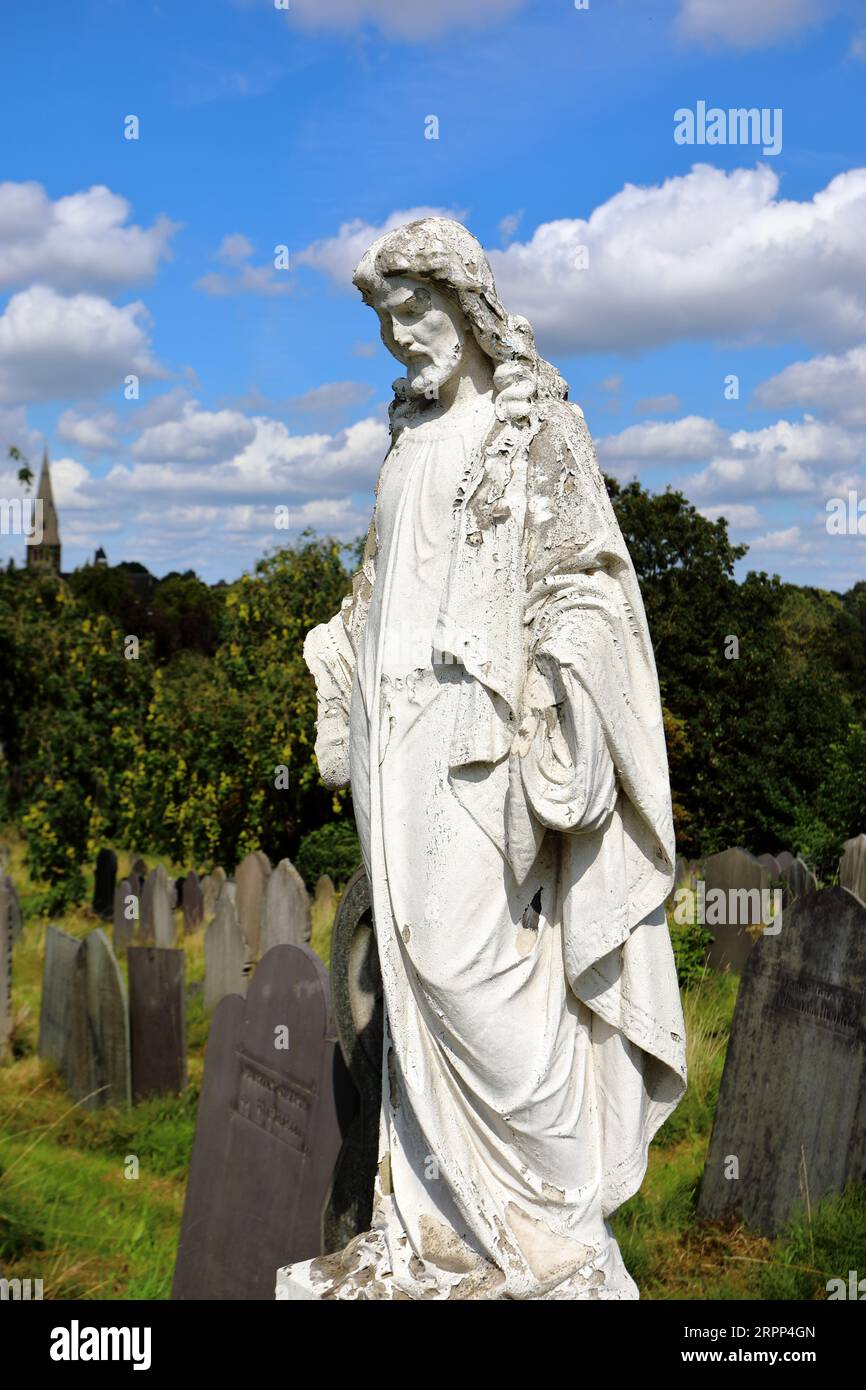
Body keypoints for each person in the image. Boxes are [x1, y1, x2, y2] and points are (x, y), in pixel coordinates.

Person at [288, 217, 686, 1301]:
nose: (400, 336)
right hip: (395, 744)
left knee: (475, 969)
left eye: (414, 311)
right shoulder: (406, 442)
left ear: (466, 306)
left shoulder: (534, 431)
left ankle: (553, 1216)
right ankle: (435, 1221)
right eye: (383, 319)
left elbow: (587, 580)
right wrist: (336, 657)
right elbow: (373, 591)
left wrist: (561, 680)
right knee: (411, 962)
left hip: (482, 745)